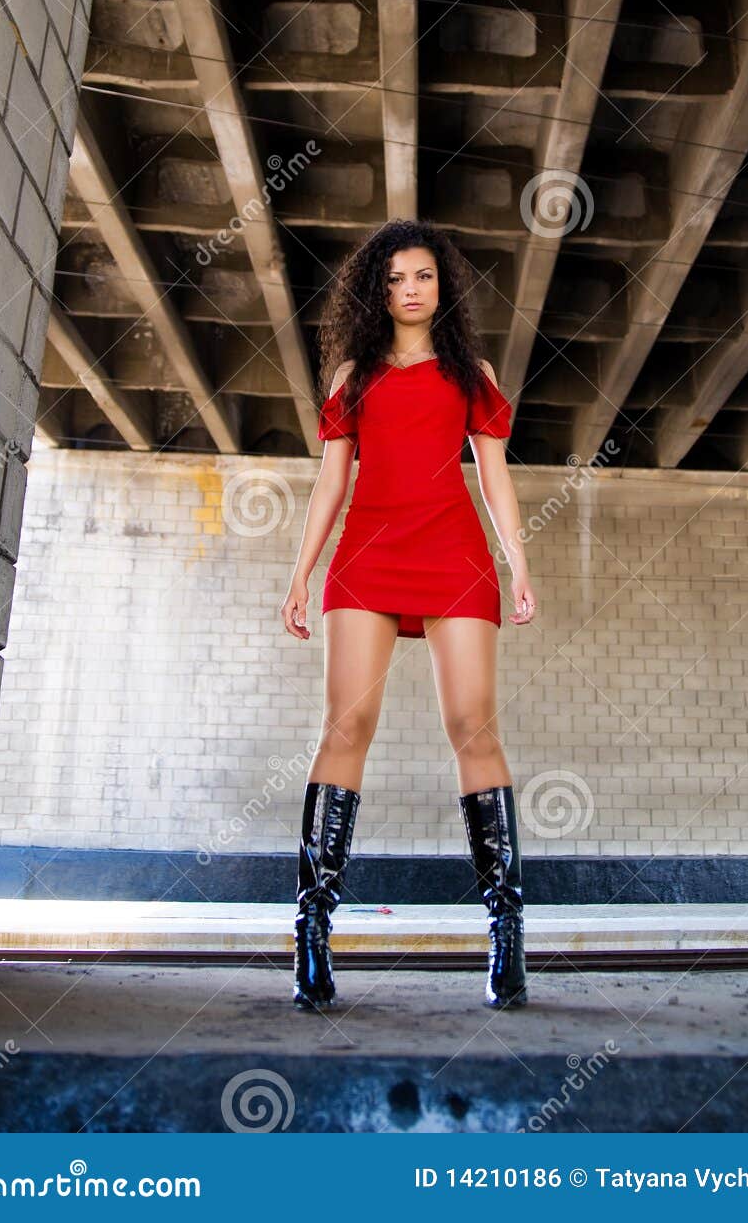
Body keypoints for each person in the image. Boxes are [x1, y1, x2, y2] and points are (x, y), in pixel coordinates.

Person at [280, 218, 538, 1013]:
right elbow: (330, 483)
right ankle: (314, 931)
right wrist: (301, 574)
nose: (410, 289)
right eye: (394, 279)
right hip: (368, 557)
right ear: (376, 291)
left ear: (441, 287)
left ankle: (506, 932)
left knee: (474, 727)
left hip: (455, 556)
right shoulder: (352, 376)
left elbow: (494, 481)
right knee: (345, 730)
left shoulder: (472, 374)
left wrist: (519, 563)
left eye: (422, 276)